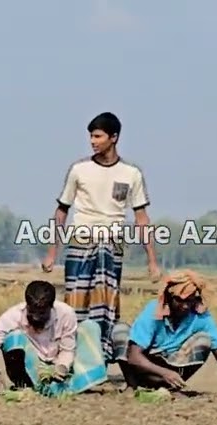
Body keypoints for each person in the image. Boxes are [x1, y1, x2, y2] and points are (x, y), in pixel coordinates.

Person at [42, 111, 160, 362]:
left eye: (98, 136)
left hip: (112, 244)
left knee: (106, 304)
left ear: (113, 137)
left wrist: (152, 260)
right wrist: (52, 251)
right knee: (75, 302)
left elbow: (141, 218)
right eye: (91, 137)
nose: (93, 141)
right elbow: (62, 210)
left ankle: (101, 358)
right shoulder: (79, 170)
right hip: (82, 241)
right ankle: (69, 358)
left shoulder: (131, 174)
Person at [115, 270, 217, 390]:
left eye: (190, 301)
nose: (185, 306)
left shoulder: (200, 315)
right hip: (144, 366)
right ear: (169, 297)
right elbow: (134, 357)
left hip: (173, 365)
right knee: (120, 330)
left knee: (204, 340)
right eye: (179, 300)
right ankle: (132, 386)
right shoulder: (154, 310)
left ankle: (171, 387)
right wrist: (165, 373)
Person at [0, 280, 109, 397]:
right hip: (28, 368)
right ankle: (26, 385)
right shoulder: (12, 316)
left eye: (42, 313)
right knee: (14, 338)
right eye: (32, 312)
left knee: (89, 327)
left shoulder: (66, 314)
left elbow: (67, 349)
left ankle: (74, 383)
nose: (36, 317)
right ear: (27, 305)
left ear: (51, 307)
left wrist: (62, 367)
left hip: (57, 365)